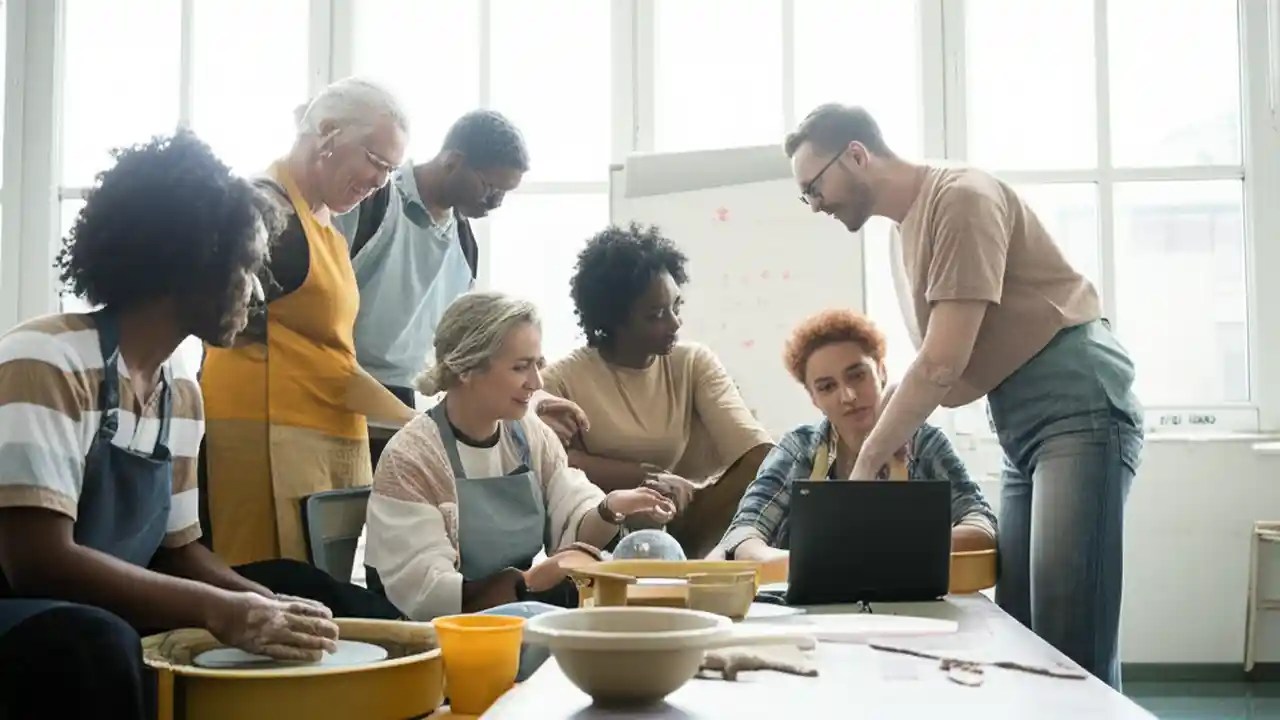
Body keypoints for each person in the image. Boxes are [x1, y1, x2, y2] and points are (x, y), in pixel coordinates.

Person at [784, 103, 1143, 688]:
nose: (816, 204)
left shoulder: (960, 198)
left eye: (814, 187)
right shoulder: (902, 232)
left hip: (1077, 403)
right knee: (1026, 631)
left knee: (1070, 637)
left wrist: (868, 459)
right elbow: (935, 362)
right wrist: (890, 432)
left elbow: (942, 363)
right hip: (1020, 420)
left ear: (856, 155)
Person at [0, 131, 342, 719]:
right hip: (25, 605)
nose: (256, 291)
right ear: (192, 262)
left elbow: (178, 551)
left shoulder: (180, 390)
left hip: (93, 601)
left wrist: (267, 604)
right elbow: (36, 561)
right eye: (247, 267)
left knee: (302, 586)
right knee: (93, 643)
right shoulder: (47, 359)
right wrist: (219, 610)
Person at [199, 77, 421, 566]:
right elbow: (213, 319)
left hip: (320, 439)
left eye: (390, 170)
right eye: (375, 161)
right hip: (260, 437)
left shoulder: (326, 223)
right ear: (327, 132)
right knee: (267, 586)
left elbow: (327, 355)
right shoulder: (262, 211)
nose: (380, 182)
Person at [361, 292, 673, 634]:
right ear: (466, 368)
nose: (536, 383)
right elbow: (425, 594)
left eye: (538, 365)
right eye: (520, 367)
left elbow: (572, 512)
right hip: (435, 634)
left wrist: (610, 508)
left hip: (515, 614)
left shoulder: (528, 435)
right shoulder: (412, 457)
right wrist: (530, 581)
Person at [540, 224, 774, 559]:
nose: (675, 323)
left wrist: (694, 492)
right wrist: (647, 476)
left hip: (686, 530)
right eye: (656, 315)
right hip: (599, 540)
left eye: (676, 306)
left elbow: (758, 454)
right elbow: (557, 467)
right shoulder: (562, 379)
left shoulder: (692, 362)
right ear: (614, 319)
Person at [716, 309, 996, 565]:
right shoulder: (799, 449)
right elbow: (743, 535)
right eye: (827, 387)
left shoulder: (923, 443)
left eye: (857, 376)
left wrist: (894, 550)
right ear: (813, 398)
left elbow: (981, 526)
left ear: (881, 371)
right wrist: (813, 563)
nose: (848, 396)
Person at [333, 110, 529, 472]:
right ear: (453, 161)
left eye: (504, 193)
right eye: (490, 188)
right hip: (335, 393)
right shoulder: (371, 201)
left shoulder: (465, 244)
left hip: (402, 404)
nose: (496, 202)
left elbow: (458, 345)